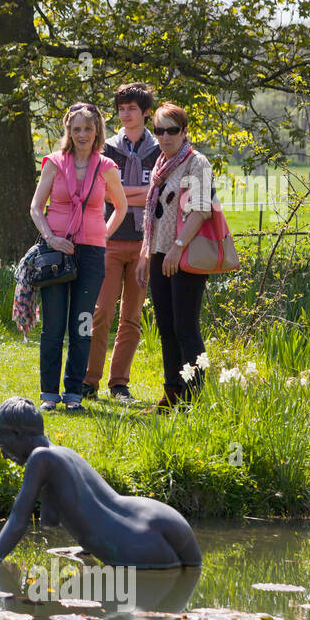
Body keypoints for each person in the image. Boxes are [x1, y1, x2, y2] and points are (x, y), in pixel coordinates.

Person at [0, 397, 202, 568]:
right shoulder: (64, 453)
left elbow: (18, 520)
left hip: (134, 544)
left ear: (17, 433)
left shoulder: (40, 459)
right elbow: (57, 519)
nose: (4, 455)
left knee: (144, 618)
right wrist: (86, 547)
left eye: (2, 445)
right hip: (165, 520)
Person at [28, 103, 129, 412]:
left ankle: (74, 393)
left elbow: (121, 207)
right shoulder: (54, 163)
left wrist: (103, 235)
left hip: (91, 255)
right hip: (56, 250)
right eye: (76, 129)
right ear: (68, 132)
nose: (82, 134)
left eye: (88, 128)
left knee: (83, 324)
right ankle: (49, 394)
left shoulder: (107, 167)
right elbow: (35, 207)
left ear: (96, 130)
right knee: (54, 326)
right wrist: (51, 238)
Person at [83, 83, 161, 404]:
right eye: (121, 108)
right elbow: (100, 190)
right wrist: (136, 195)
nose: (125, 114)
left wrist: (121, 194)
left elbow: (159, 192)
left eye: (132, 108)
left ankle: (119, 384)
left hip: (145, 244)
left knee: (131, 317)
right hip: (110, 241)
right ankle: (89, 381)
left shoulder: (159, 150)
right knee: (100, 311)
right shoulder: (107, 149)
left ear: (145, 113)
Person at [133, 103, 214, 410]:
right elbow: (153, 217)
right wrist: (145, 254)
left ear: (184, 131)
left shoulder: (196, 163)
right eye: (159, 130)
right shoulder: (160, 164)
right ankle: (172, 395)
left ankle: (196, 398)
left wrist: (177, 247)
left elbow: (201, 209)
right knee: (165, 327)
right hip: (159, 253)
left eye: (172, 130)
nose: (165, 137)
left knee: (186, 327)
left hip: (185, 254)